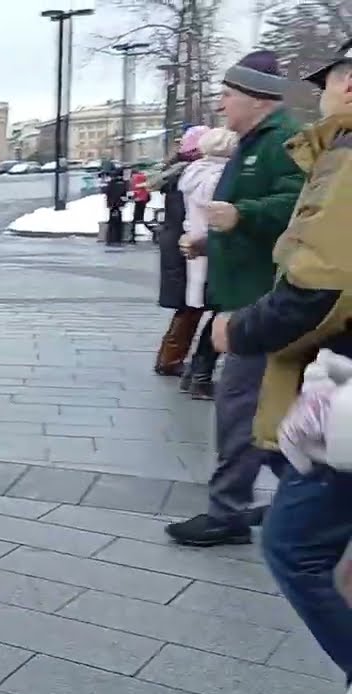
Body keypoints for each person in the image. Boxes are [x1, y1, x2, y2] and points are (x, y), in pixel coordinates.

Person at [211, 38, 352, 694]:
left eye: (330, 78)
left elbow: (320, 288)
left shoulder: (343, 155)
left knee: (295, 545)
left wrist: (238, 330)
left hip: (338, 375)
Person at [165, 50, 305, 548]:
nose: (221, 106)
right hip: (245, 293)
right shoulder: (250, 143)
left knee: (239, 406)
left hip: (263, 299)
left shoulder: (283, 141)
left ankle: (229, 511)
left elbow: (300, 202)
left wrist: (240, 216)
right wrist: (211, 238)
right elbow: (234, 212)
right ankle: (310, 498)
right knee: (267, 409)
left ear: (254, 98)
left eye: (227, 96)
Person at [176, 127, 239, 398]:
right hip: (215, 249)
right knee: (222, 311)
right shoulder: (218, 176)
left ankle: (195, 373)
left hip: (199, 248)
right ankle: (201, 374)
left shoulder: (196, 172)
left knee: (217, 310)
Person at [152, 126, 209, 378]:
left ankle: (171, 357)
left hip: (176, 240)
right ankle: (170, 359)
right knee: (190, 304)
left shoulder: (178, 172)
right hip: (184, 243)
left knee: (190, 304)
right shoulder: (191, 174)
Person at [129, 167, 150, 243]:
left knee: (136, 218)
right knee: (140, 217)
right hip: (143, 198)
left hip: (138, 199)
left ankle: (132, 236)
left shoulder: (134, 178)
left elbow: (134, 188)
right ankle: (135, 233)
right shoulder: (143, 177)